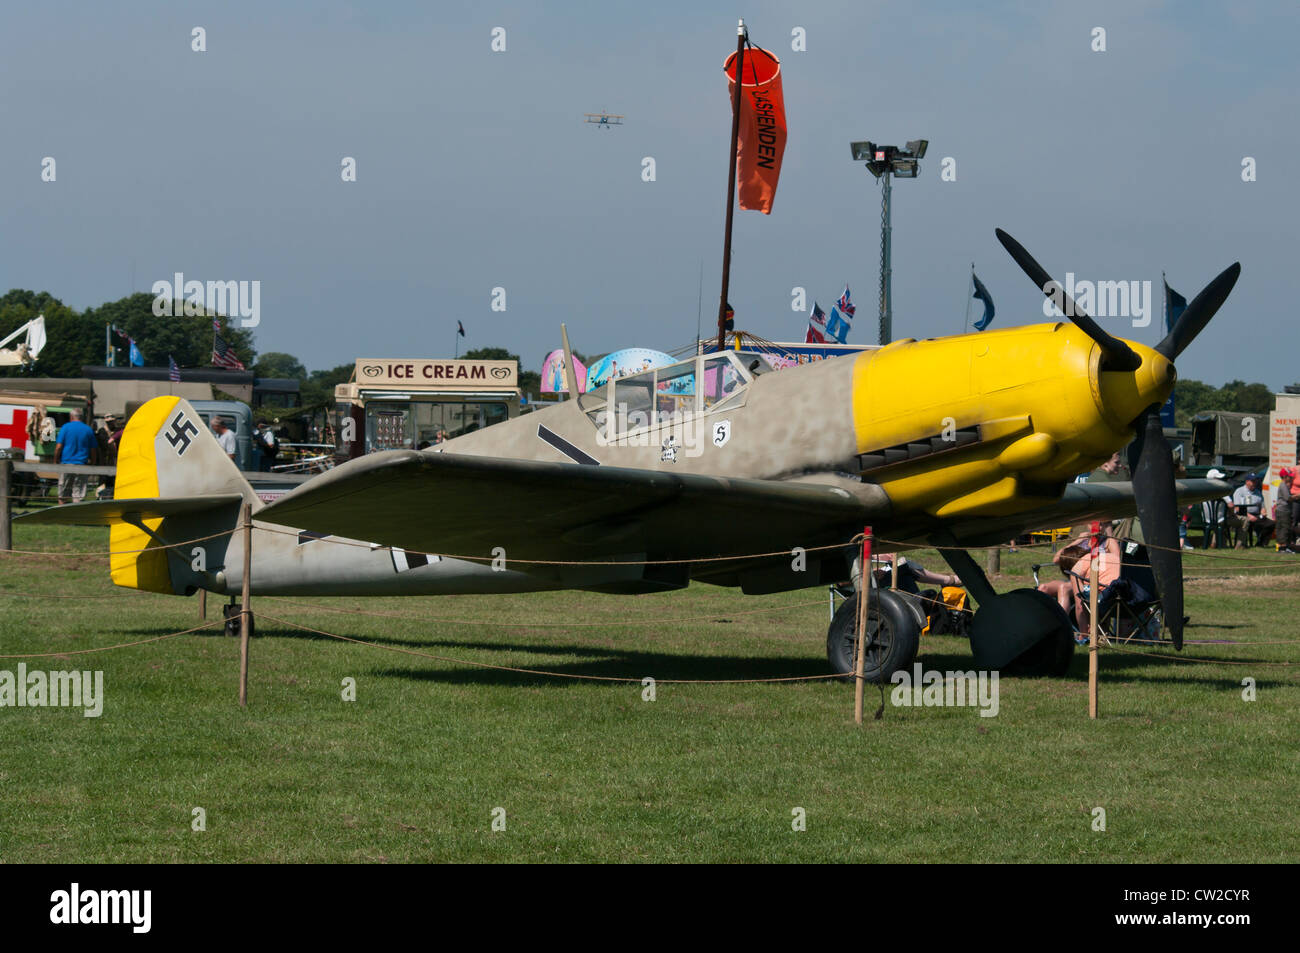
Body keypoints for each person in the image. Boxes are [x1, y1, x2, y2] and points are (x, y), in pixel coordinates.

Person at [54, 408, 99, 504]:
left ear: (71, 416)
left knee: (63, 493)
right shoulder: (88, 430)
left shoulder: (65, 427)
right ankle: (76, 516)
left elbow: (58, 447)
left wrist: (56, 460)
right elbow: (93, 450)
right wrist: (93, 463)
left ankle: (62, 514)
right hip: (82, 465)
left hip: (66, 464)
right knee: (78, 494)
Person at [1230, 473, 1273, 548]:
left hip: (1256, 514)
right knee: (1250, 521)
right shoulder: (1239, 491)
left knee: (1271, 523)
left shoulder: (1258, 492)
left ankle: (1261, 543)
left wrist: (1263, 511)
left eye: (1256, 481)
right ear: (1247, 482)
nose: (1255, 483)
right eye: (1253, 481)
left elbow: (1262, 505)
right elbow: (1237, 508)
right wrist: (1249, 516)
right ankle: (1243, 543)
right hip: (1244, 514)